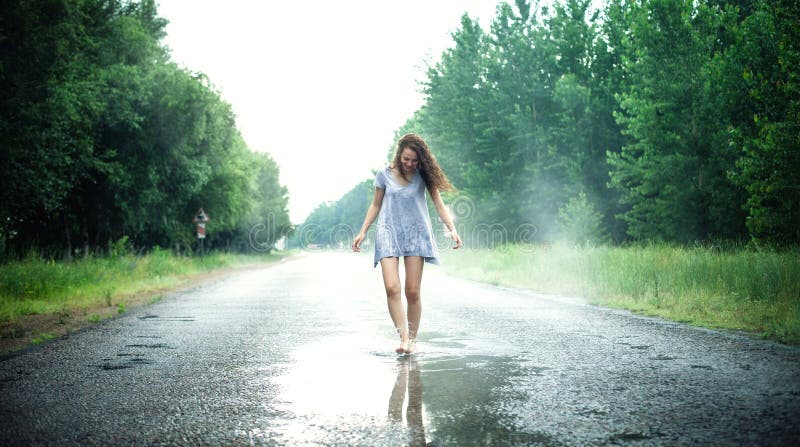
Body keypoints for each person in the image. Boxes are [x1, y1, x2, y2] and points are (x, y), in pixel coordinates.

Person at [352, 134, 462, 354]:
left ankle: (412, 339)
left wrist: (452, 228)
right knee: (392, 288)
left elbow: (439, 204)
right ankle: (403, 338)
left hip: (416, 233)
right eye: (406, 159)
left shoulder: (423, 175)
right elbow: (375, 205)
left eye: (414, 160)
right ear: (399, 153)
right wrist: (363, 231)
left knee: (412, 291)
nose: (410, 164)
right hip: (388, 232)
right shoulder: (383, 175)